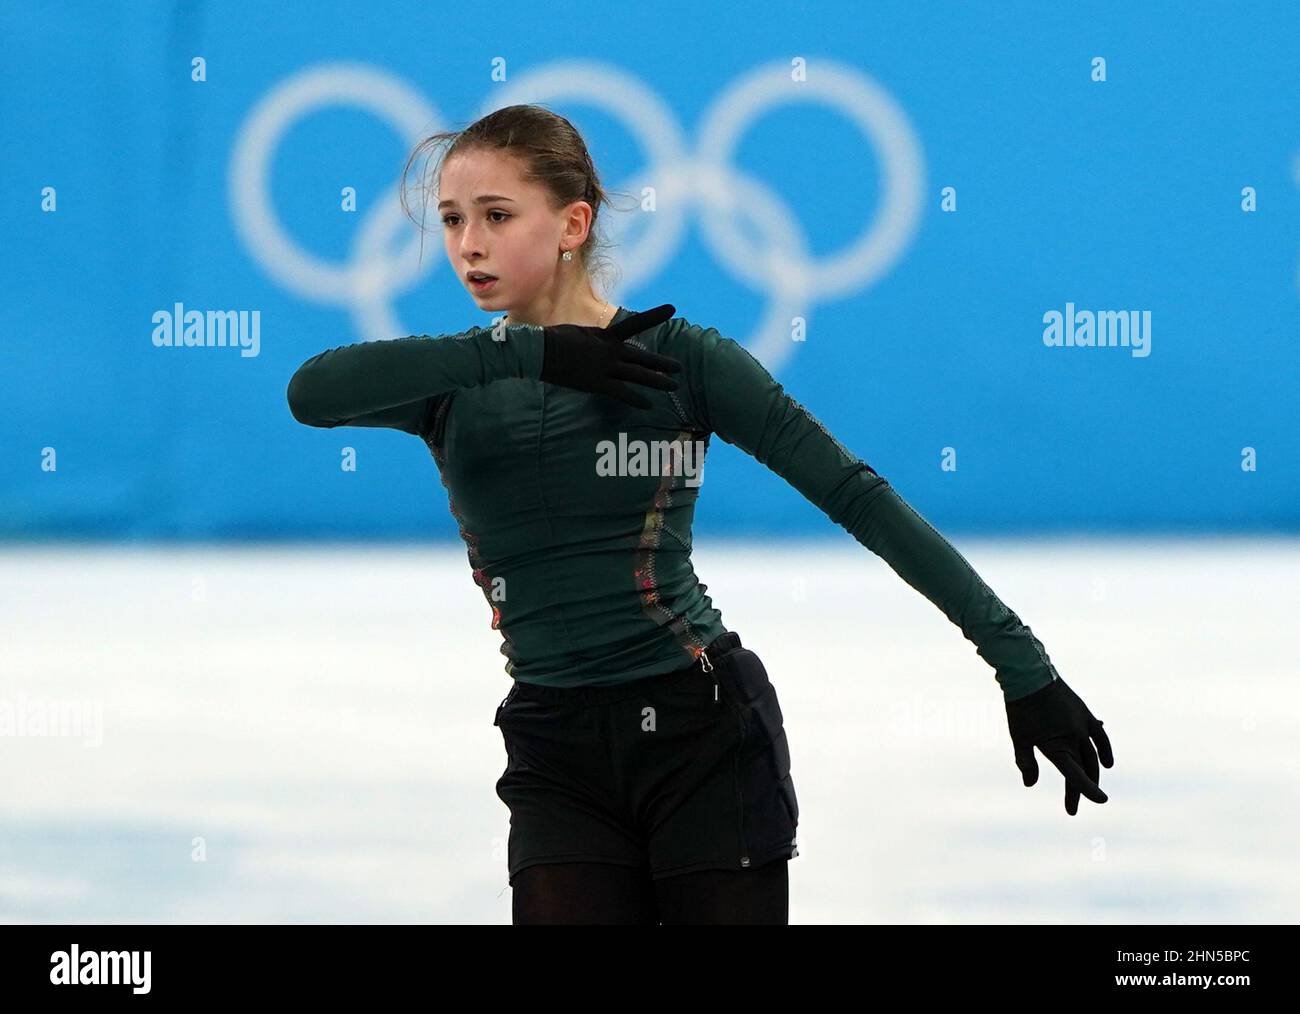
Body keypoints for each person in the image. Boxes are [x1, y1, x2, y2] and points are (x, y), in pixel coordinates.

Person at [285, 104, 1114, 925]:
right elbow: (308, 395)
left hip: (702, 734)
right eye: (453, 219)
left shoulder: (679, 360)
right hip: (554, 745)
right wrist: (524, 351)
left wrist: (1021, 665)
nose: (468, 243)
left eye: (498, 216)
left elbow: (857, 497)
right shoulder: (454, 379)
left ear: (573, 223)